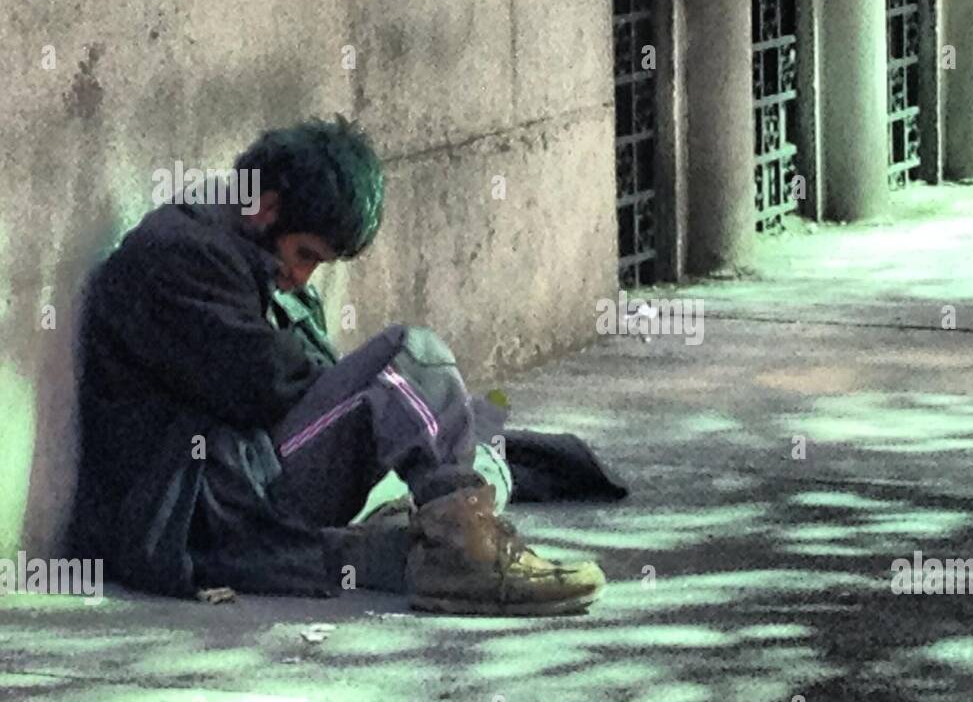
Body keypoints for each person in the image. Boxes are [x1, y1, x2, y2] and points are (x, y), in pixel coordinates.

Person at [69, 117, 608, 616]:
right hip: (210, 511)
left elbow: (305, 375)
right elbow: (267, 383)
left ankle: (453, 544)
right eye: (305, 255)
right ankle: (463, 553)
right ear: (265, 207)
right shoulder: (174, 256)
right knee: (407, 358)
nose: (303, 278)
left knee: (473, 440)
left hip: (256, 486)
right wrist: (345, 386)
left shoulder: (249, 255)